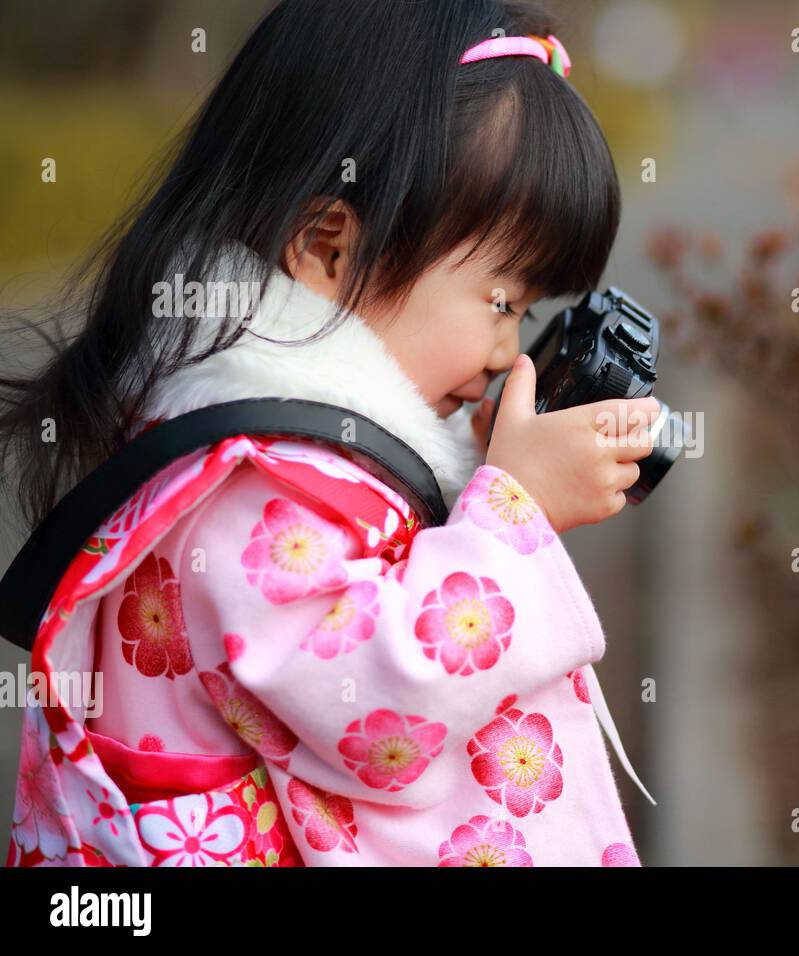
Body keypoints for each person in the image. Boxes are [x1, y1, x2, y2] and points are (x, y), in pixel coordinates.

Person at [1, 0, 657, 867]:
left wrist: (485, 476)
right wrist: (512, 518)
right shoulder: (253, 483)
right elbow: (367, 712)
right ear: (327, 250)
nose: (509, 349)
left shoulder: (299, 449)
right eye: (503, 302)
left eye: (529, 313)